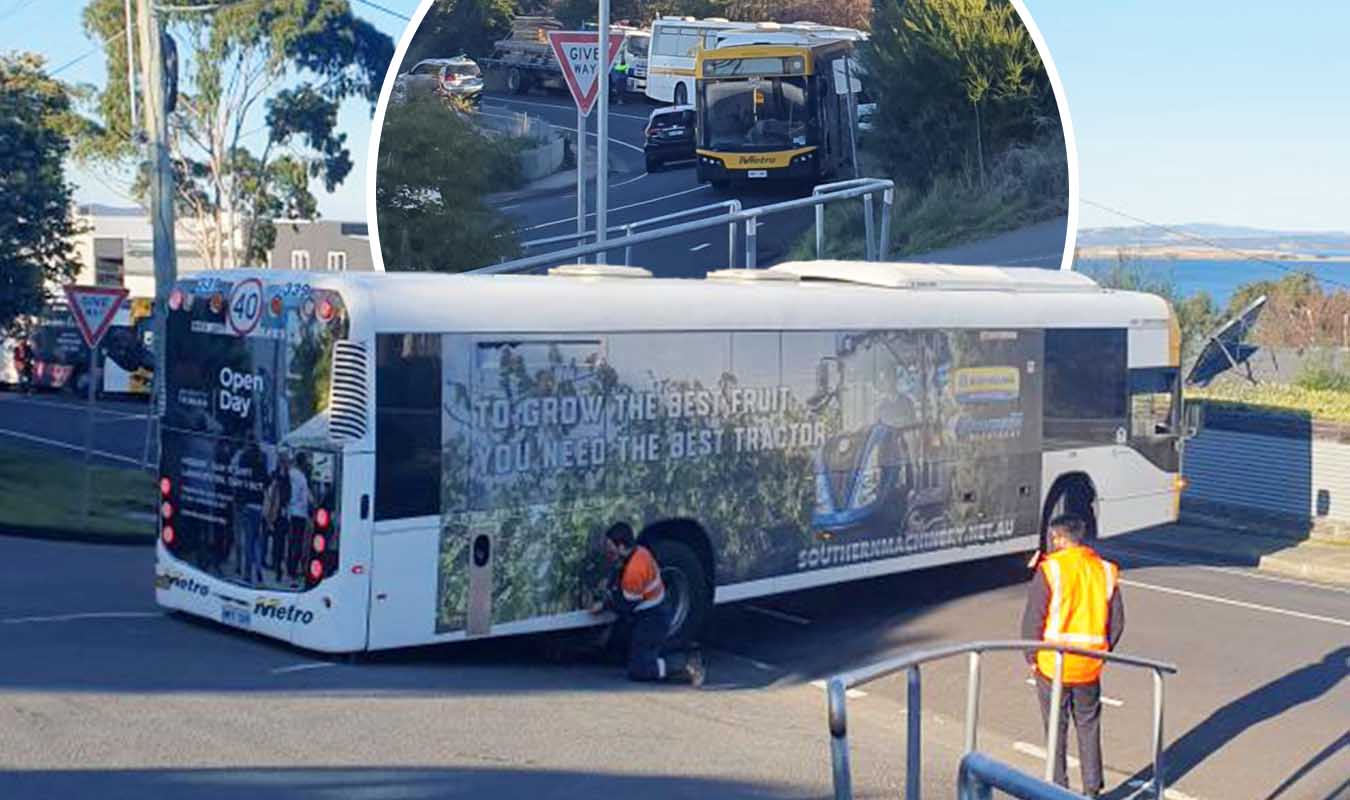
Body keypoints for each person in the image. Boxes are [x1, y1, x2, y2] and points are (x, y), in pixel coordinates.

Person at [1021, 513, 1125, 798]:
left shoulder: (1051, 569)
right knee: (1088, 725)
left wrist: (1032, 657)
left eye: (1053, 538)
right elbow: (1116, 622)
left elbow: (1033, 619)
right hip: (1089, 665)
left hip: (1052, 664)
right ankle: (1092, 788)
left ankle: (1058, 787)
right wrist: (1102, 652)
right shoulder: (1105, 570)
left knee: (1056, 728)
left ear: (1059, 538)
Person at [590, 522, 704, 686]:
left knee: (640, 670)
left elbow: (625, 605)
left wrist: (603, 605)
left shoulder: (634, 571)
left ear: (621, 546)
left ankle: (684, 665)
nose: (608, 551)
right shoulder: (640, 552)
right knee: (628, 653)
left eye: (610, 547)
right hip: (655, 610)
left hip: (652, 618)